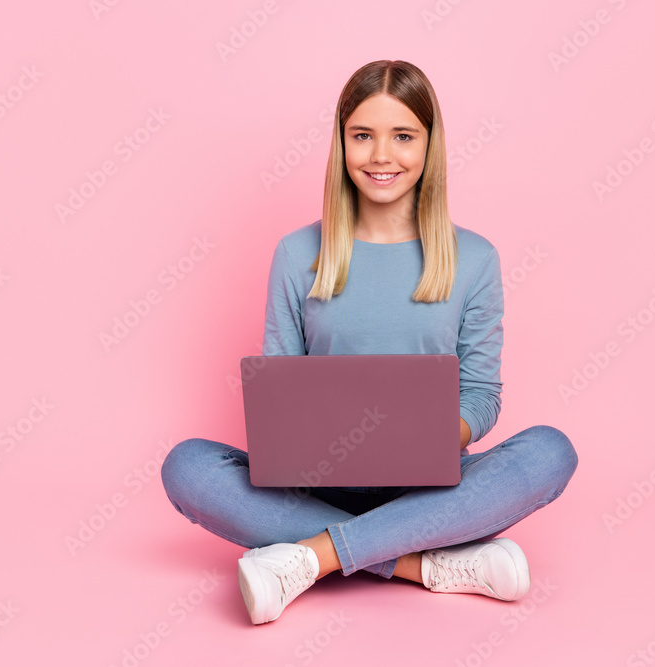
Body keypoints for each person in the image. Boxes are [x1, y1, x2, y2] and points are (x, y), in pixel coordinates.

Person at [160, 59, 578, 625]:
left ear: (429, 145)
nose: (382, 155)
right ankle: (425, 566)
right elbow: (279, 388)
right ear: (342, 144)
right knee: (186, 467)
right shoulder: (296, 254)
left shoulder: (474, 259)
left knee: (551, 450)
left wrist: (433, 438)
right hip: (314, 488)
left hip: (432, 494)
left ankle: (311, 558)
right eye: (363, 136)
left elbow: (481, 394)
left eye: (403, 136)